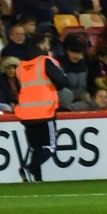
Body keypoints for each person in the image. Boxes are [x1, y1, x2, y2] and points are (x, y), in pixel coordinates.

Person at [15, 49, 73, 182]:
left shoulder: (21, 67)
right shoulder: (45, 62)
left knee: (35, 148)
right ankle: (29, 168)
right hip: (44, 112)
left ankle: (37, 179)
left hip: (26, 114)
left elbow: (20, 88)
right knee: (49, 146)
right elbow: (62, 82)